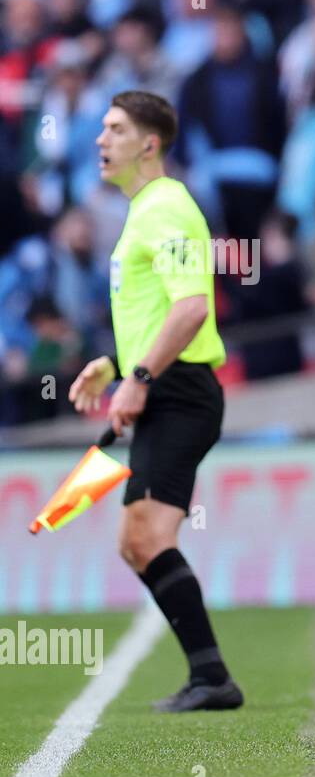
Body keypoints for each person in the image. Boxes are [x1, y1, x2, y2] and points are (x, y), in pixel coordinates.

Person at [67, 90, 241, 713]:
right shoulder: (146, 210)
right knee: (135, 540)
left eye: (113, 128)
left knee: (145, 534)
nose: (99, 139)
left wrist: (137, 378)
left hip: (181, 392)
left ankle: (212, 678)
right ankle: (211, 675)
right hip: (164, 386)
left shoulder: (166, 206)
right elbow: (163, 310)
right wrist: (114, 365)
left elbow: (193, 308)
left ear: (149, 142)